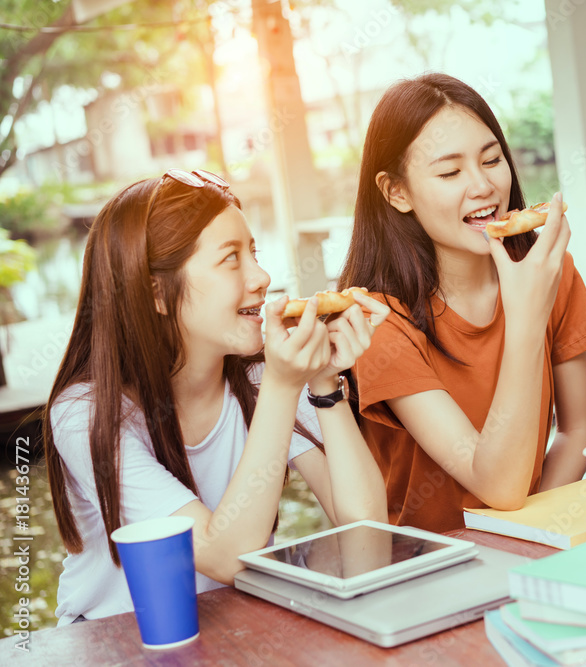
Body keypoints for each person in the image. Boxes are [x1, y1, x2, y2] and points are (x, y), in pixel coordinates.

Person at [43, 169, 390, 625]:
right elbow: (225, 557)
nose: (262, 277)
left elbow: (369, 539)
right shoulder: (85, 415)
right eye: (231, 258)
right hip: (117, 642)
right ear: (157, 294)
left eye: (254, 253)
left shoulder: (262, 374)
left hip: (237, 632)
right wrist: (286, 386)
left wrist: (324, 382)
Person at [340, 73, 586, 533]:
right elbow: (496, 484)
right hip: (427, 566)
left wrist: (532, 528)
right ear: (396, 192)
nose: (483, 186)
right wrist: (526, 319)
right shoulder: (378, 322)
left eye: (492, 159)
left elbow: (577, 430)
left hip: (533, 541)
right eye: (450, 172)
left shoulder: (549, 271)